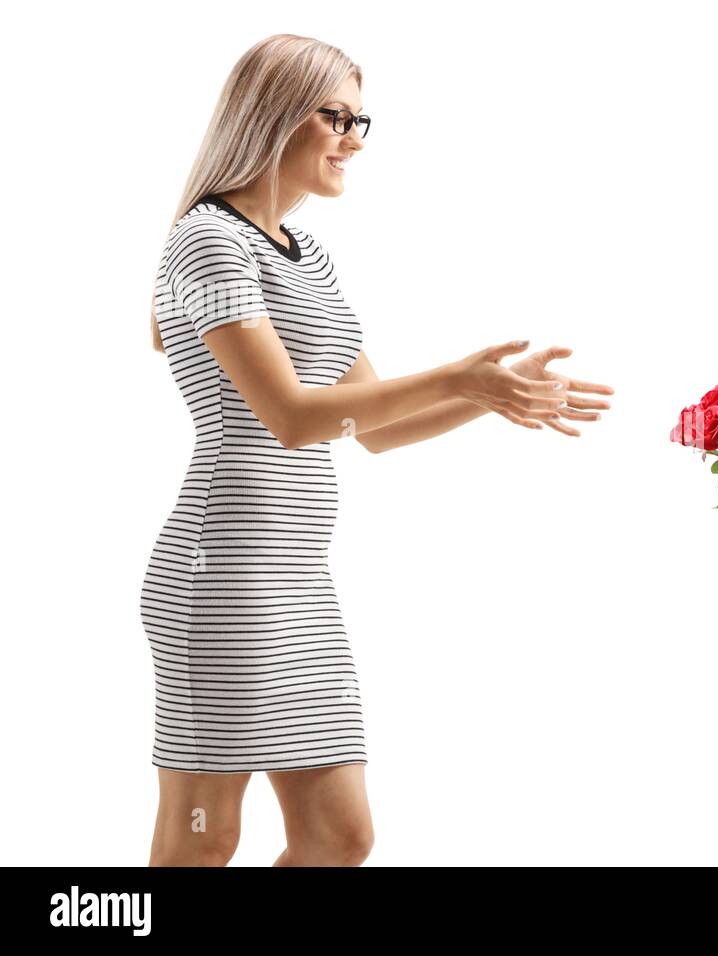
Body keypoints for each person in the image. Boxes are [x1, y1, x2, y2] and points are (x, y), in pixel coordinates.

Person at [140, 34, 614, 866]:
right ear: (274, 115)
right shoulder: (209, 240)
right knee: (202, 840)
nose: (356, 137)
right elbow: (290, 417)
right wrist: (458, 378)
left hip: (298, 581)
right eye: (338, 116)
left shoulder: (308, 253)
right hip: (224, 579)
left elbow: (378, 428)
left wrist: (486, 395)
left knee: (339, 837)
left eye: (363, 119)